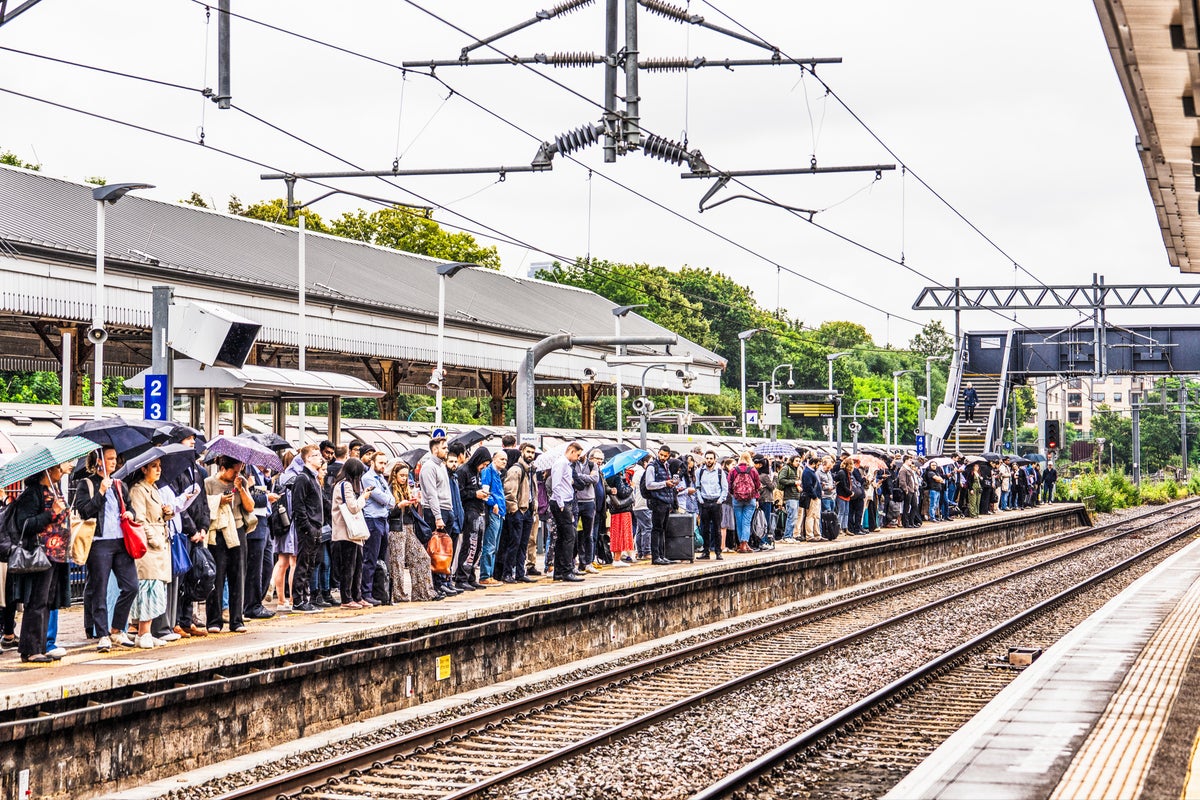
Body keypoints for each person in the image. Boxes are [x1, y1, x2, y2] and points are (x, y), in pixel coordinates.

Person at [74, 447, 139, 651]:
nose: (114, 462)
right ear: (99, 461)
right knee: (99, 589)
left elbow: (130, 507)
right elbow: (85, 511)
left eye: (114, 458)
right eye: (109, 458)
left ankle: (117, 629)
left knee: (131, 586)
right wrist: (101, 491)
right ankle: (102, 634)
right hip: (99, 541)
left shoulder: (120, 484)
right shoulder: (87, 485)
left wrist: (130, 514)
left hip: (121, 541)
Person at [12, 467, 69, 663]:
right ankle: (31, 649)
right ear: (47, 471)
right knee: (37, 601)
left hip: (56, 555)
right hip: (39, 554)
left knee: (47, 601)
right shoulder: (32, 494)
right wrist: (51, 512)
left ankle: (41, 645)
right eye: (57, 468)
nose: (61, 471)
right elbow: (24, 524)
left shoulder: (55, 491)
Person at [205, 456, 255, 633]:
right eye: (234, 470)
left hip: (237, 528)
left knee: (238, 575)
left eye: (240, 469)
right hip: (218, 531)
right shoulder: (209, 483)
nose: (237, 473)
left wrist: (241, 489)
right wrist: (219, 500)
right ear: (224, 468)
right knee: (217, 576)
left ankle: (236, 619)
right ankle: (214, 620)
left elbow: (250, 507)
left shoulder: (240, 482)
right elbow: (204, 505)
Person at [129, 459, 173, 648]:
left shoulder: (154, 489)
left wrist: (167, 513)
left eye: (160, 466)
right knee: (148, 587)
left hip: (159, 542)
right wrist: (152, 538)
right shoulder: (138, 490)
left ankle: (147, 630)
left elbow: (155, 515)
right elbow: (139, 519)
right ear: (144, 468)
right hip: (149, 546)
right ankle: (143, 631)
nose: (158, 470)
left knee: (156, 587)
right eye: (154, 466)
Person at [386, 462, 440, 602]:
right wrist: (400, 506)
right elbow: (388, 512)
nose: (404, 478)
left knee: (422, 557)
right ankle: (399, 594)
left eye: (405, 475)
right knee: (397, 563)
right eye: (401, 475)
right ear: (395, 475)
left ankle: (423, 592)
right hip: (396, 528)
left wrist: (414, 504)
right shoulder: (390, 489)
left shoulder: (407, 489)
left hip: (409, 528)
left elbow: (411, 513)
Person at [419, 437, 461, 596]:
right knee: (436, 549)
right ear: (435, 450)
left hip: (446, 509)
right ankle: (437, 583)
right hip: (434, 510)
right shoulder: (429, 467)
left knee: (445, 548)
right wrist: (438, 517)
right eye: (444, 448)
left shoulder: (442, 466)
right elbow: (431, 495)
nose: (447, 450)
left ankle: (444, 579)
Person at [330, 457, 373, 609]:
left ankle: (357, 596)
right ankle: (346, 599)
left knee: (357, 565)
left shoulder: (341, 484)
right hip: (345, 532)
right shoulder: (345, 485)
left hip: (352, 534)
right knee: (348, 567)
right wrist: (363, 497)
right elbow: (353, 507)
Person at [290, 444, 326, 613]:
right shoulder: (303, 478)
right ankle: (298, 600)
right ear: (308, 458)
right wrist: (307, 527)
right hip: (308, 527)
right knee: (303, 564)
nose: (321, 458)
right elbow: (298, 506)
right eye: (317, 455)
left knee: (311, 564)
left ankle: (306, 597)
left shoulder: (314, 478)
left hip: (316, 526)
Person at [454, 447, 493, 591]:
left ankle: (471, 576)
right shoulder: (463, 471)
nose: (484, 467)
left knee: (478, 546)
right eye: (484, 463)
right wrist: (474, 494)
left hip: (479, 511)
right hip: (469, 511)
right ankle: (461, 577)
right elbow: (459, 493)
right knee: (470, 545)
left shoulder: (478, 472)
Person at [359, 450, 395, 604]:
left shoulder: (381, 478)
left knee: (381, 558)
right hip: (372, 520)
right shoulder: (368, 478)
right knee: (370, 558)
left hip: (383, 519)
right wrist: (389, 500)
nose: (383, 466)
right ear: (372, 463)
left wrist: (388, 500)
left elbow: (390, 498)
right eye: (380, 463)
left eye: (385, 463)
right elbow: (381, 497)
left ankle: (378, 591)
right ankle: (366, 592)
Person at [500, 443, 537, 583]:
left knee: (523, 544)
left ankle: (520, 572)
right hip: (518, 511)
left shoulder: (531, 470)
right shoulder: (516, 469)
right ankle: (507, 572)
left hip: (528, 510)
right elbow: (509, 492)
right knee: (514, 543)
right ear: (522, 452)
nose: (530, 455)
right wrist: (514, 510)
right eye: (528, 451)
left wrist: (533, 508)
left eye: (532, 452)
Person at [548, 442, 585, 581]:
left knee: (563, 537)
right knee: (570, 536)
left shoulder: (567, 465)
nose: (578, 458)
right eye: (577, 455)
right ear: (571, 451)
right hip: (561, 503)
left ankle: (559, 571)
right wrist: (561, 503)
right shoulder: (561, 464)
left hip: (565, 501)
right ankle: (566, 571)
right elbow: (556, 485)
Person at [476, 450, 508, 586]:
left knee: (495, 545)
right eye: (501, 459)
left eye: (505, 460)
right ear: (494, 459)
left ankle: (490, 574)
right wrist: (492, 503)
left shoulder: (498, 474)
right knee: (490, 544)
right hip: (493, 511)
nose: (504, 462)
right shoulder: (488, 472)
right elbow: (485, 491)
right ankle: (485, 575)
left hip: (500, 511)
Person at [645, 445, 681, 564]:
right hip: (657, 501)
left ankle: (662, 555)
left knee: (662, 529)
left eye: (665, 456)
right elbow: (649, 484)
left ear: (668, 456)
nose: (663, 457)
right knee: (656, 529)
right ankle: (656, 557)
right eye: (661, 455)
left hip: (666, 501)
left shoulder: (666, 466)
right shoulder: (652, 467)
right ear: (658, 453)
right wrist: (665, 483)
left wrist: (672, 484)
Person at [694, 450, 727, 560]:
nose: (709, 460)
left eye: (711, 458)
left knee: (717, 528)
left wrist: (720, 500)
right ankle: (706, 551)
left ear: (714, 459)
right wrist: (700, 499)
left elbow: (724, 487)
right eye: (707, 458)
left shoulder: (719, 472)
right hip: (705, 502)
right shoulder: (700, 472)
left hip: (716, 502)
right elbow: (697, 486)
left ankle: (718, 551)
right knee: (705, 528)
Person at [728, 452, 761, 553]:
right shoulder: (752, 470)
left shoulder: (734, 470)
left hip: (737, 499)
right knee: (746, 522)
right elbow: (757, 484)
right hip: (750, 499)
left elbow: (729, 483)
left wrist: (733, 493)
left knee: (739, 522)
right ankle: (744, 544)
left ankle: (743, 544)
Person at [777, 454, 802, 543]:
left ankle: (790, 535)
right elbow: (781, 479)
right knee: (792, 516)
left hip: (795, 495)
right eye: (796, 461)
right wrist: (794, 482)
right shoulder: (786, 468)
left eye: (799, 461)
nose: (798, 463)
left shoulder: (795, 470)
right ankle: (787, 536)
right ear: (791, 461)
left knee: (794, 517)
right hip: (789, 496)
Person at [800, 456, 822, 541]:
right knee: (810, 516)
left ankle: (817, 534)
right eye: (818, 465)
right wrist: (814, 496)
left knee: (816, 516)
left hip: (816, 497)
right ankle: (809, 535)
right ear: (813, 464)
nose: (818, 467)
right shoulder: (807, 472)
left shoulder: (811, 471)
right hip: (812, 498)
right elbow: (808, 486)